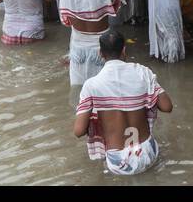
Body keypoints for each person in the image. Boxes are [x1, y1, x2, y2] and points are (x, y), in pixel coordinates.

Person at [74, 31, 173, 176]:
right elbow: (167, 107)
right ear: (124, 50)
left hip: (117, 163)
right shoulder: (143, 72)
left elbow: (78, 131)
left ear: (100, 53)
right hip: (149, 153)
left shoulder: (91, 85)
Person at [58, 0, 125, 85]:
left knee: (79, 92)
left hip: (77, 48)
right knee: (103, 89)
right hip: (101, 48)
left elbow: (66, 20)